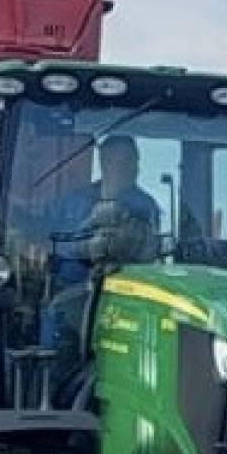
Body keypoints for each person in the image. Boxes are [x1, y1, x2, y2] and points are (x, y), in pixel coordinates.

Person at [40, 134, 163, 383]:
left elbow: (150, 251)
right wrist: (88, 247)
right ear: (104, 163)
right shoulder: (74, 203)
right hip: (75, 291)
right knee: (56, 319)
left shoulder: (146, 206)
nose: (128, 167)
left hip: (129, 293)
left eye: (131, 161)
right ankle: (53, 388)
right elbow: (56, 244)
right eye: (119, 161)